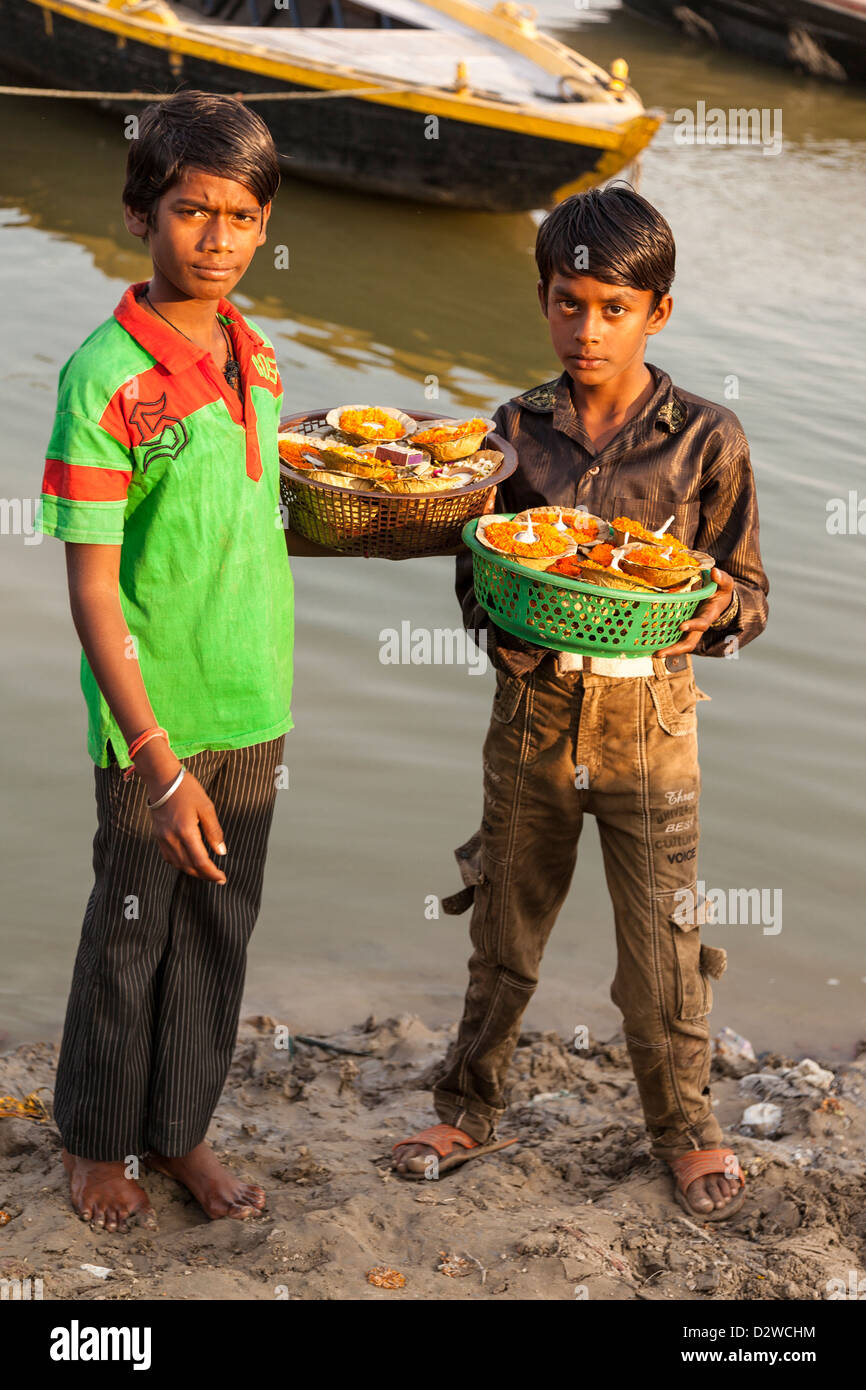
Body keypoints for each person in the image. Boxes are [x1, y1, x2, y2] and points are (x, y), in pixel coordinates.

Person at [392, 185, 769, 1220]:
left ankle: (685, 1130)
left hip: (651, 728)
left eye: (612, 307)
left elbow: (746, 588)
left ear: (658, 312)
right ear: (543, 298)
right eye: (567, 302)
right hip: (532, 718)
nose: (586, 327)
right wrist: (498, 624)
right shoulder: (510, 431)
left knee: (662, 952)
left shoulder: (706, 438)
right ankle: (466, 1107)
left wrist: (714, 613)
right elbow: (477, 576)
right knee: (503, 935)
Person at [36, 91, 293, 1231]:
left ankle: (180, 1127)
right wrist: (155, 757)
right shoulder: (104, 380)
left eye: (242, 216)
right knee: (132, 924)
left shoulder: (259, 355)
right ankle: (96, 1141)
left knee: (219, 930)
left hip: (253, 699)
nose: (220, 239)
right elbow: (95, 587)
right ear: (141, 212)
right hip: (152, 716)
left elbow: (251, 515)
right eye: (194, 211)